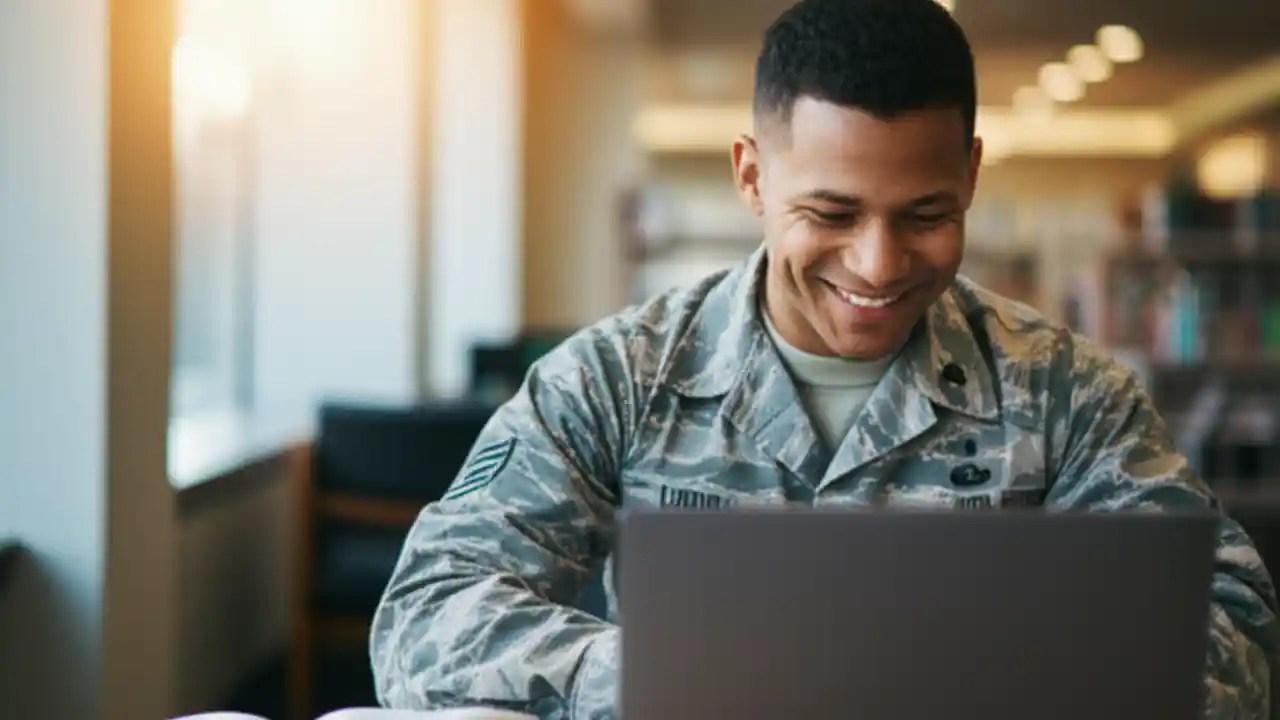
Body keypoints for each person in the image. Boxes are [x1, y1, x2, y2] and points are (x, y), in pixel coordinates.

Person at [370, 0, 1278, 717]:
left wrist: (974, 681)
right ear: (753, 176)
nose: (878, 266)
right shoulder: (615, 380)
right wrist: (680, 680)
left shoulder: (1068, 392)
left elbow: (1231, 626)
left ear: (969, 173)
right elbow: (427, 617)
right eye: (832, 214)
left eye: (926, 214)